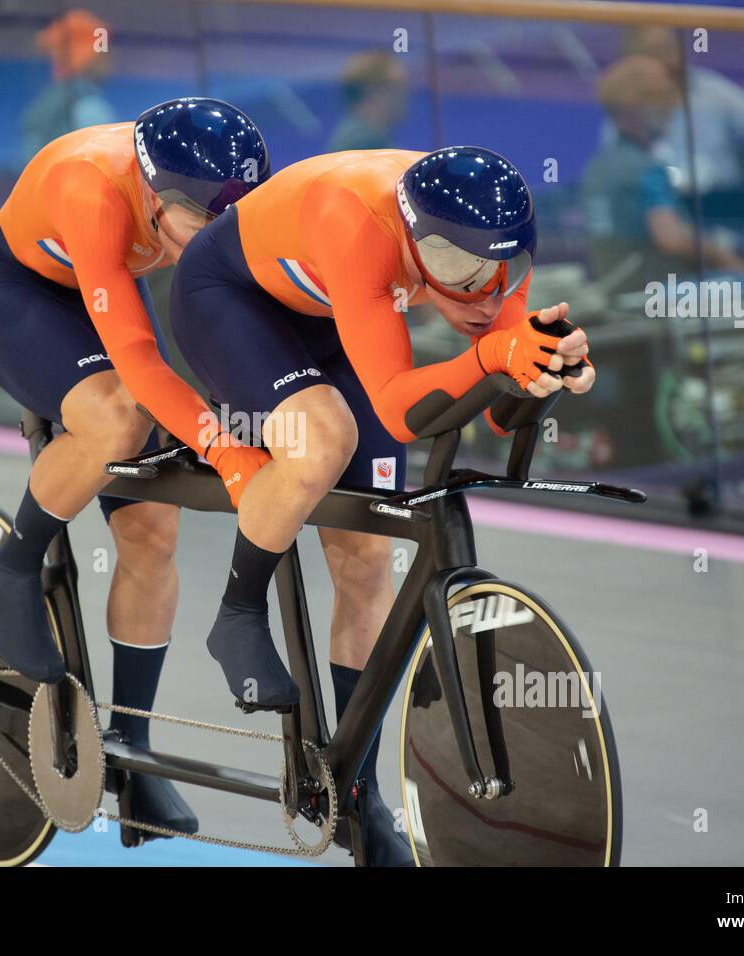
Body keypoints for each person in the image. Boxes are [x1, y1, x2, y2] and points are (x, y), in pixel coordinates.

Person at [168, 146, 595, 864]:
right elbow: (403, 411)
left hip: (333, 308)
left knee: (368, 556)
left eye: (502, 273)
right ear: (416, 240)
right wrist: (496, 357)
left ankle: (355, 792)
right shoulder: (359, 221)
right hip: (230, 302)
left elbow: (493, 411)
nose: (489, 296)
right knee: (324, 436)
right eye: (461, 276)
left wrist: (544, 368)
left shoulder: (485, 247)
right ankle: (237, 612)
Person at [0, 97, 271, 841]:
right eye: (204, 222)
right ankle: (14, 564)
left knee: (153, 529)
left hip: (106, 287)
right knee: (118, 417)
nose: (220, 236)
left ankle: (132, 756)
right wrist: (226, 450)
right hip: (18, 294)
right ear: (155, 195)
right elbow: (137, 364)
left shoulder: (201, 196)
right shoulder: (91, 188)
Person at [584, 55, 744, 295]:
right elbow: (671, 238)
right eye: (661, 103)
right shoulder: (647, 171)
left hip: (617, 294)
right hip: (655, 298)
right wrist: (725, 257)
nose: (670, 111)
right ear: (634, 111)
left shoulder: (596, 170)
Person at [21, 9, 116, 158]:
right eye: (102, 53)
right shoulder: (87, 105)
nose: (108, 61)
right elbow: (104, 160)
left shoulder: (49, 104)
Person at [326, 51, 408, 152]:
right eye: (398, 89)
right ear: (375, 93)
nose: (405, 97)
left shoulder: (356, 135)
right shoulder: (365, 142)